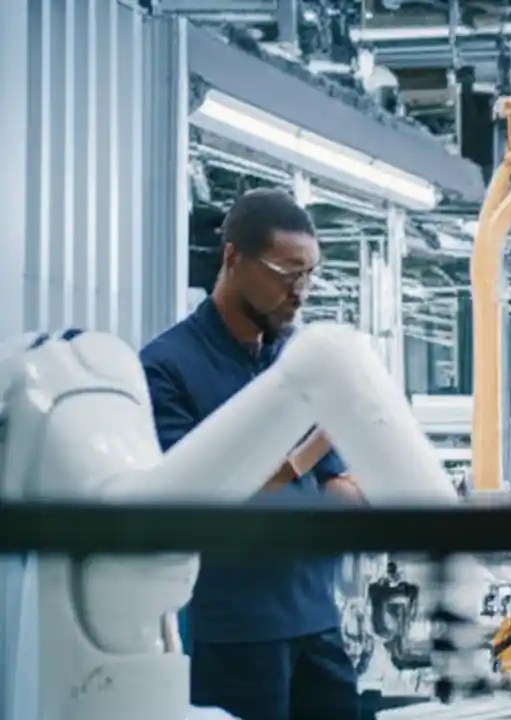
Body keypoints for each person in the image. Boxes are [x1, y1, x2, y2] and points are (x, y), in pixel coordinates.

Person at [141, 188, 365, 720]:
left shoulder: (294, 360)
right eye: (287, 273)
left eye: (310, 274)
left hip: (316, 619)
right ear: (233, 258)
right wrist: (306, 454)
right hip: (235, 632)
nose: (301, 291)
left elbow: (338, 487)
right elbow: (202, 493)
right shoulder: (165, 368)